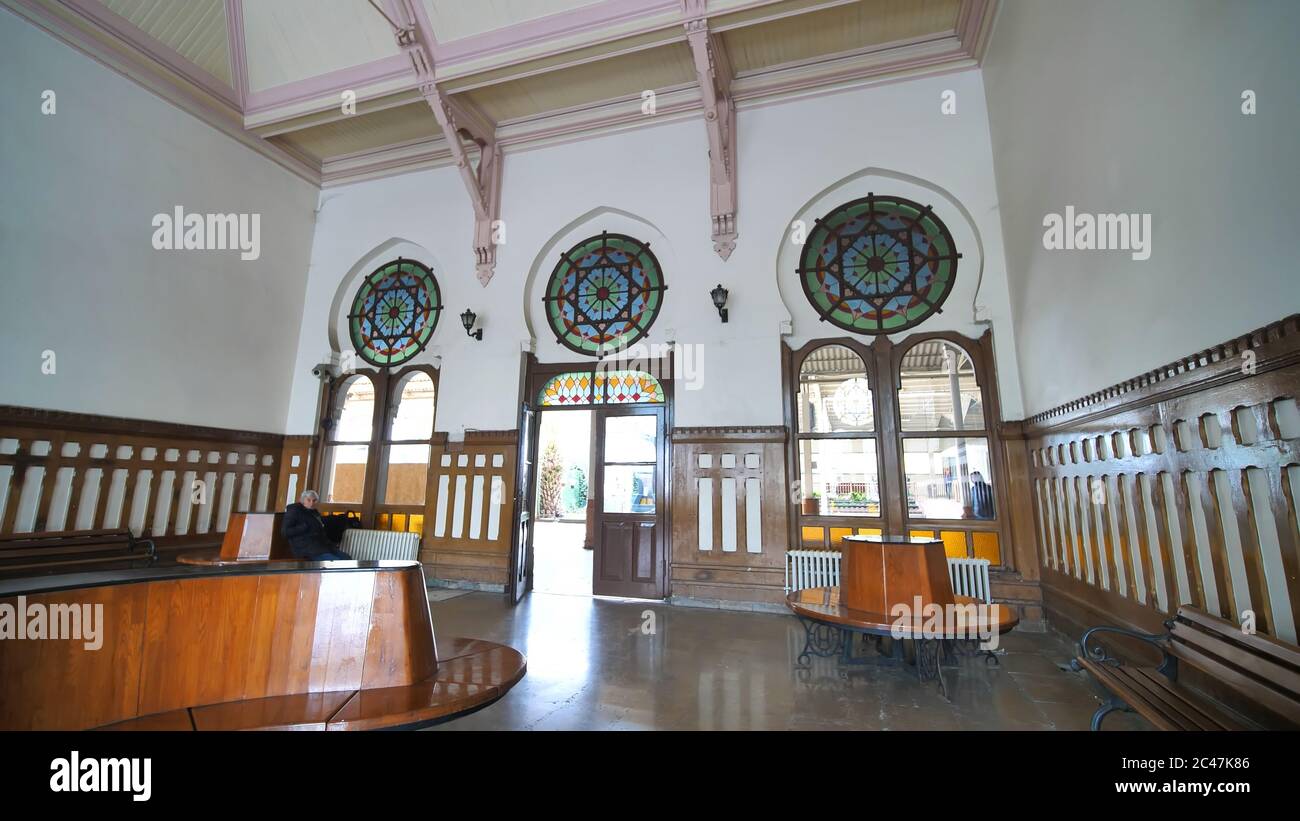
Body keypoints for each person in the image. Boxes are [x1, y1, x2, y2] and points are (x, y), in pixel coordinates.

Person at [282, 490, 353, 560]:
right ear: (303, 500)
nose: (311, 503)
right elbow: (285, 532)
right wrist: (304, 527)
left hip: (321, 546)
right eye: (309, 500)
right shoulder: (294, 511)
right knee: (336, 562)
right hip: (306, 548)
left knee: (347, 558)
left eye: (314, 500)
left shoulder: (314, 512)